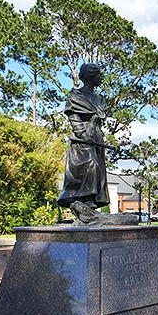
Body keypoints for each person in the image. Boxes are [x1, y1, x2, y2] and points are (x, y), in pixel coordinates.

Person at [57, 63, 110, 210]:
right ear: (90, 76)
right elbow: (73, 116)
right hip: (81, 139)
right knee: (90, 165)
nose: (101, 78)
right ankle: (83, 200)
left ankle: (92, 201)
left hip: (96, 137)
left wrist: (94, 135)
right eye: (99, 75)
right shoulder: (76, 96)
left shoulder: (99, 99)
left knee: (98, 169)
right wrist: (83, 134)